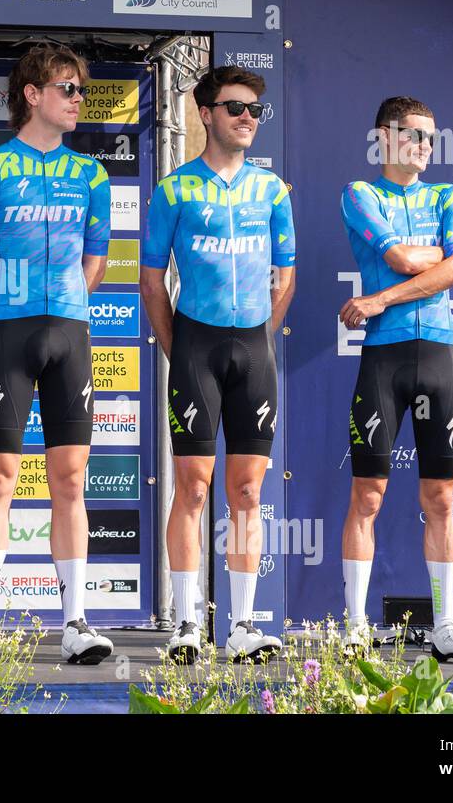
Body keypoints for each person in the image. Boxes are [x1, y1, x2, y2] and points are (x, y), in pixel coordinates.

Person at [0, 43, 113, 665]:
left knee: (70, 479)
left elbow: (93, 260)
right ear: (32, 95)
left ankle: (75, 622)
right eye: (67, 89)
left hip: (69, 333)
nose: (77, 100)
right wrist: (3, 320)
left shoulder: (90, 174)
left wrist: (65, 305)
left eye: (80, 90)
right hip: (9, 335)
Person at [140, 65, 296, 663]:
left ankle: (242, 627)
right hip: (195, 349)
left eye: (255, 108)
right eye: (235, 107)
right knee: (193, 487)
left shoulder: (273, 190)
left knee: (248, 492)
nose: (248, 118)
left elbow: (286, 276)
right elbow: (151, 283)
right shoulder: (175, 189)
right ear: (205, 114)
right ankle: (185, 623)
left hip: (252, 348)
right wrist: (179, 350)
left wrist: (261, 335)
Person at [338, 96, 453, 663]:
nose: (425, 146)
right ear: (385, 136)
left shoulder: (450, 195)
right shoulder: (361, 194)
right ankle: (354, 627)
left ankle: (445, 628)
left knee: (441, 499)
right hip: (384, 359)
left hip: (440, 356)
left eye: (431, 138)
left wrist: (377, 298)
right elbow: (406, 257)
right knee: (368, 495)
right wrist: (437, 259)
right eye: (414, 135)